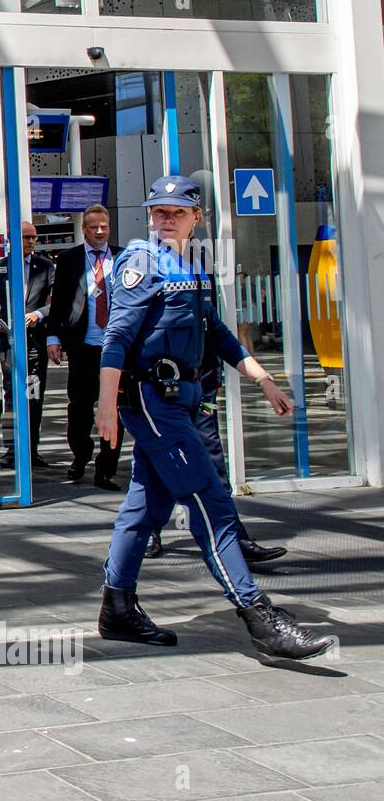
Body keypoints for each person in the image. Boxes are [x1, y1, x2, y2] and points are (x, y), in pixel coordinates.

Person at [95, 175, 333, 660]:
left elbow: (218, 333)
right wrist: (106, 405)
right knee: (210, 502)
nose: (166, 218)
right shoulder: (141, 261)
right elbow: (116, 339)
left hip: (178, 399)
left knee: (147, 507)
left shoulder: (189, 267)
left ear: (196, 218)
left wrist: (263, 378)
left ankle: (117, 607)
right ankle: (258, 616)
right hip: (151, 398)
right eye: (159, 211)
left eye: (177, 212)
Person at [144, 309, 288, 563]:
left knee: (212, 457)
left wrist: (263, 380)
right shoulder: (153, 279)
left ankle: (234, 537)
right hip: (160, 391)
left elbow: (218, 335)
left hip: (203, 389)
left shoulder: (199, 281)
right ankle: (148, 529)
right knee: (157, 463)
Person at [46, 205, 124, 489]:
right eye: (94, 227)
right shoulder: (69, 260)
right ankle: (81, 455)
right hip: (84, 346)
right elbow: (61, 301)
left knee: (115, 407)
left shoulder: (123, 256)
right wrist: (53, 337)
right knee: (79, 408)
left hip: (116, 348)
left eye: (104, 226)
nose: (100, 231)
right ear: (85, 229)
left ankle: (106, 469)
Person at [0, 220, 55, 468]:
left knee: (34, 395)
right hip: (9, 344)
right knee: (11, 395)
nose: (30, 242)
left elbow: (54, 302)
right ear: (13, 240)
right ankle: (11, 449)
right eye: (26, 237)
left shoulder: (46, 267)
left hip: (34, 343)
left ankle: (31, 449)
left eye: (33, 238)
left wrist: (38, 314)